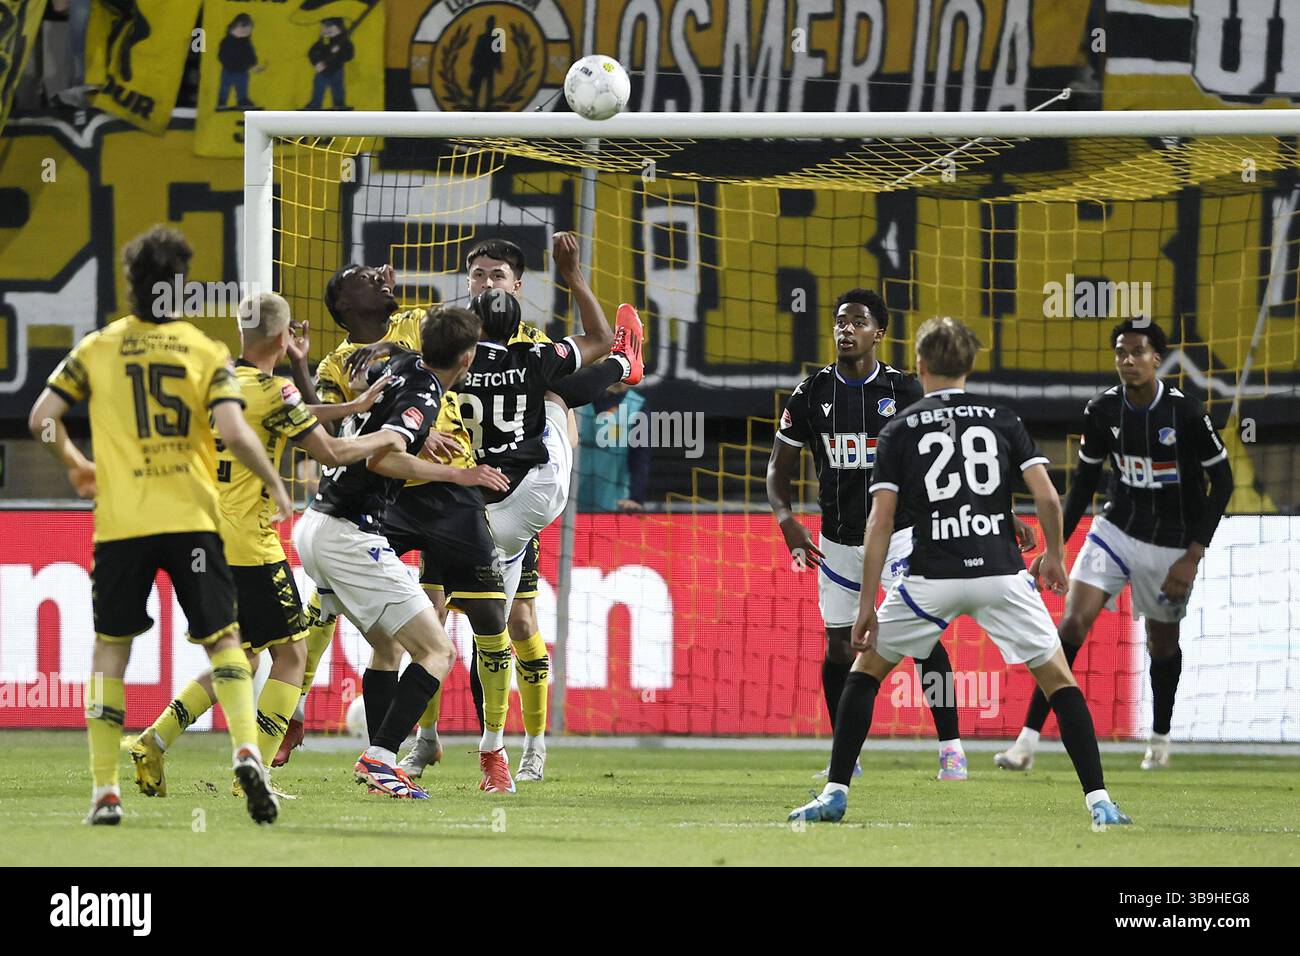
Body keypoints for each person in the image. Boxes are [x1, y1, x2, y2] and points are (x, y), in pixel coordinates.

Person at [787, 316, 1132, 829]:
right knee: (1060, 682)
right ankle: (1100, 802)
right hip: (1000, 573)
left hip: (932, 576)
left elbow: (881, 520)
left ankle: (836, 792)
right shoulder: (1002, 418)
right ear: (970, 366)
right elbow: (1048, 497)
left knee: (863, 676)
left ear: (920, 365)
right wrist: (1056, 555)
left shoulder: (899, 428)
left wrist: (866, 607)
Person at [27, 226, 291, 825]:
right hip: (193, 521)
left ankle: (104, 791)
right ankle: (247, 750)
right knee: (228, 642)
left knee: (111, 649)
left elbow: (44, 417)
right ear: (181, 290)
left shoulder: (98, 347)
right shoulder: (201, 350)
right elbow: (232, 430)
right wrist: (275, 483)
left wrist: (74, 462)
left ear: (131, 285)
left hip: (123, 523)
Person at [126, 293, 402, 800]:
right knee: (292, 657)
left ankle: (153, 740)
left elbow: (283, 412)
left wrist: (353, 406)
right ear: (282, 337)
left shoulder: (217, 381)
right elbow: (333, 450)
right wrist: (386, 434)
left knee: (244, 660)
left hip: (202, 538)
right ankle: (254, 776)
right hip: (249, 545)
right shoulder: (275, 393)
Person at [995, 320, 1234, 772]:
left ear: (1157, 359)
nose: (1128, 360)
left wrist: (1192, 556)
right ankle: (1025, 743)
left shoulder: (1185, 413)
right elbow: (1084, 483)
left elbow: (1222, 481)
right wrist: (1054, 548)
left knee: (1162, 647)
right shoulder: (1102, 410)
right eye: (1121, 352)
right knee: (1071, 625)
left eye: (1138, 352)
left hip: (1170, 545)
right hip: (1115, 530)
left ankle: (1159, 738)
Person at [293, 305, 510, 798]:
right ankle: (381, 758)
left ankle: (373, 757)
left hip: (315, 526)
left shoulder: (402, 364)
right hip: (349, 535)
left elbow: (392, 368)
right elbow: (383, 457)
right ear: (468, 357)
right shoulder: (426, 392)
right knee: (438, 651)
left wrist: (416, 430)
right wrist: (459, 473)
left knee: (388, 647)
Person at [767, 289, 968, 780]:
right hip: (836, 541)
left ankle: (952, 749)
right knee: (839, 647)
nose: (846, 329)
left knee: (922, 637)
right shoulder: (810, 394)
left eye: (858, 322)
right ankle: (847, 758)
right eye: (840, 321)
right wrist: (786, 520)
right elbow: (778, 469)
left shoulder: (906, 392)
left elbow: (949, 457)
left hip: (900, 535)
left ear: (878, 333)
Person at [576, 382, 650, 512]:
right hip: (572, 498)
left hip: (614, 500)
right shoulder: (577, 398)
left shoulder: (637, 406)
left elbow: (640, 457)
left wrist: (635, 497)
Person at [305, 18, 352, 110]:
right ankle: (315, 104)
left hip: (337, 70)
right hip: (323, 70)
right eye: (324, 27)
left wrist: (339, 52)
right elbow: (312, 53)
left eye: (329, 26)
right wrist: (317, 63)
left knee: (337, 87)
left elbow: (349, 55)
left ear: (339, 28)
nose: (325, 29)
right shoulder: (322, 42)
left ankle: (339, 104)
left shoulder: (344, 42)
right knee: (318, 87)